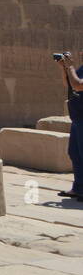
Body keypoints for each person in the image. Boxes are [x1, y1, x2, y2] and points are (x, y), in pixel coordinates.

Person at [55, 52, 83, 200]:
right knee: (75, 154)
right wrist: (64, 68)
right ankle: (78, 189)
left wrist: (70, 66)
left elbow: (78, 86)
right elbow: (69, 84)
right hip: (78, 118)